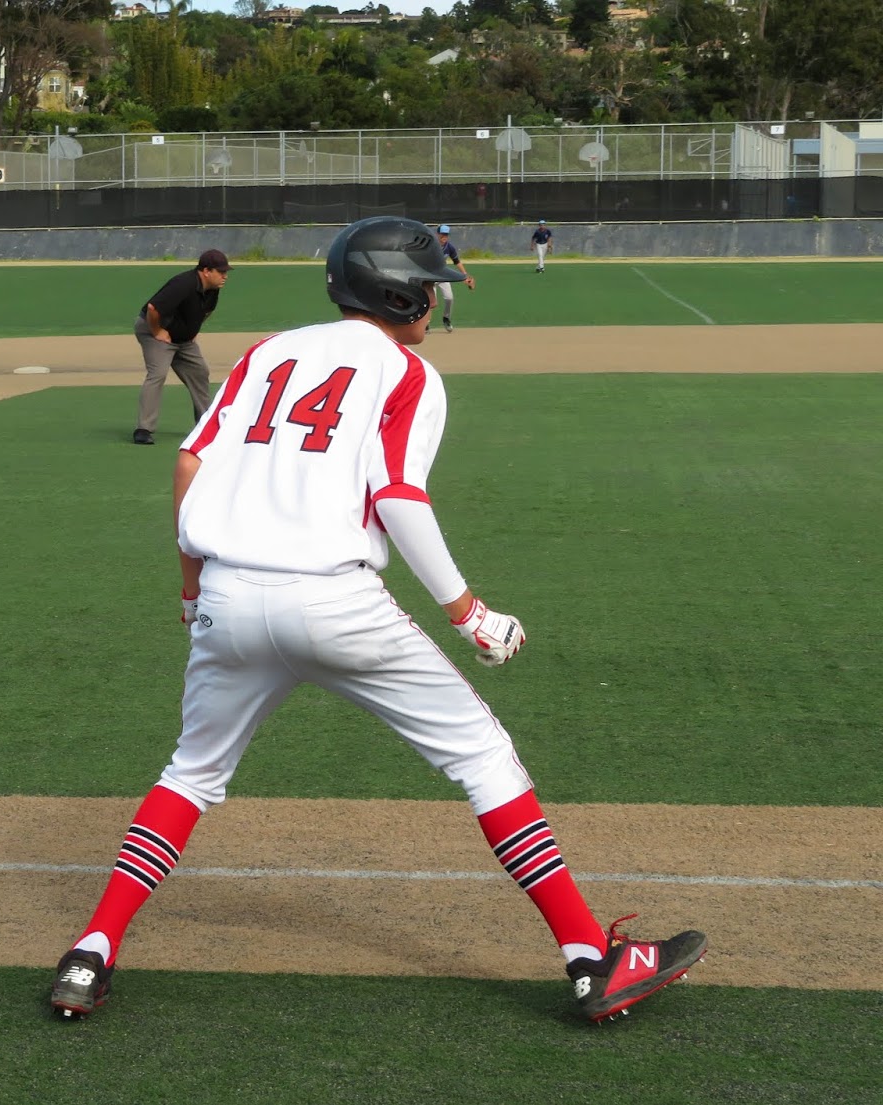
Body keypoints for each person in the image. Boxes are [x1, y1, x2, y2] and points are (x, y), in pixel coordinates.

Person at [49, 215, 705, 1025]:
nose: (434, 299)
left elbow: (191, 460)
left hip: (227, 594)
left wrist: (191, 591)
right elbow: (396, 496)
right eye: (429, 286)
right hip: (333, 599)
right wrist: (470, 613)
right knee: (483, 755)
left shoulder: (269, 350)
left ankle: (91, 953)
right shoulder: (405, 374)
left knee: (190, 774)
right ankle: (587, 960)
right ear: (396, 290)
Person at [131, 249, 230, 445]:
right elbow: (153, 308)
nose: (225, 276)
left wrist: (190, 332)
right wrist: (158, 331)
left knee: (200, 371)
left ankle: (205, 423)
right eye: (221, 272)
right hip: (154, 331)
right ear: (206, 271)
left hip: (183, 341)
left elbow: (207, 311)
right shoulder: (183, 284)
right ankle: (143, 429)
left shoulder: (213, 289)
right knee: (157, 374)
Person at [433, 224, 475, 333]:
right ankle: (425, 324)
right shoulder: (431, 246)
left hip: (443, 275)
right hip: (430, 277)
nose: (444, 236)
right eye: (442, 234)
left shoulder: (449, 247)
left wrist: (465, 276)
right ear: (437, 234)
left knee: (449, 298)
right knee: (431, 302)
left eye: (446, 234)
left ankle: (446, 319)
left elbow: (457, 262)